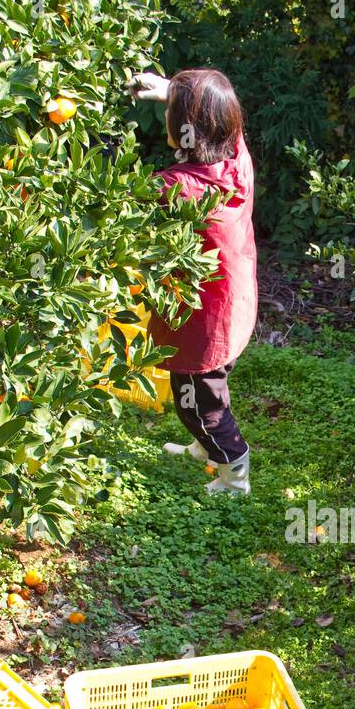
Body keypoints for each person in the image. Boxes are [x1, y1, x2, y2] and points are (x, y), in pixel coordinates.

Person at [126, 68, 258, 496]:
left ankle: (234, 473)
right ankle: (206, 448)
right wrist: (171, 92)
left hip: (206, 322)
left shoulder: (177, 187)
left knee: (199, 400)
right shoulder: (235, 160)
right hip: (235, 306)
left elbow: (119, 209)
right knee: (212, 388)